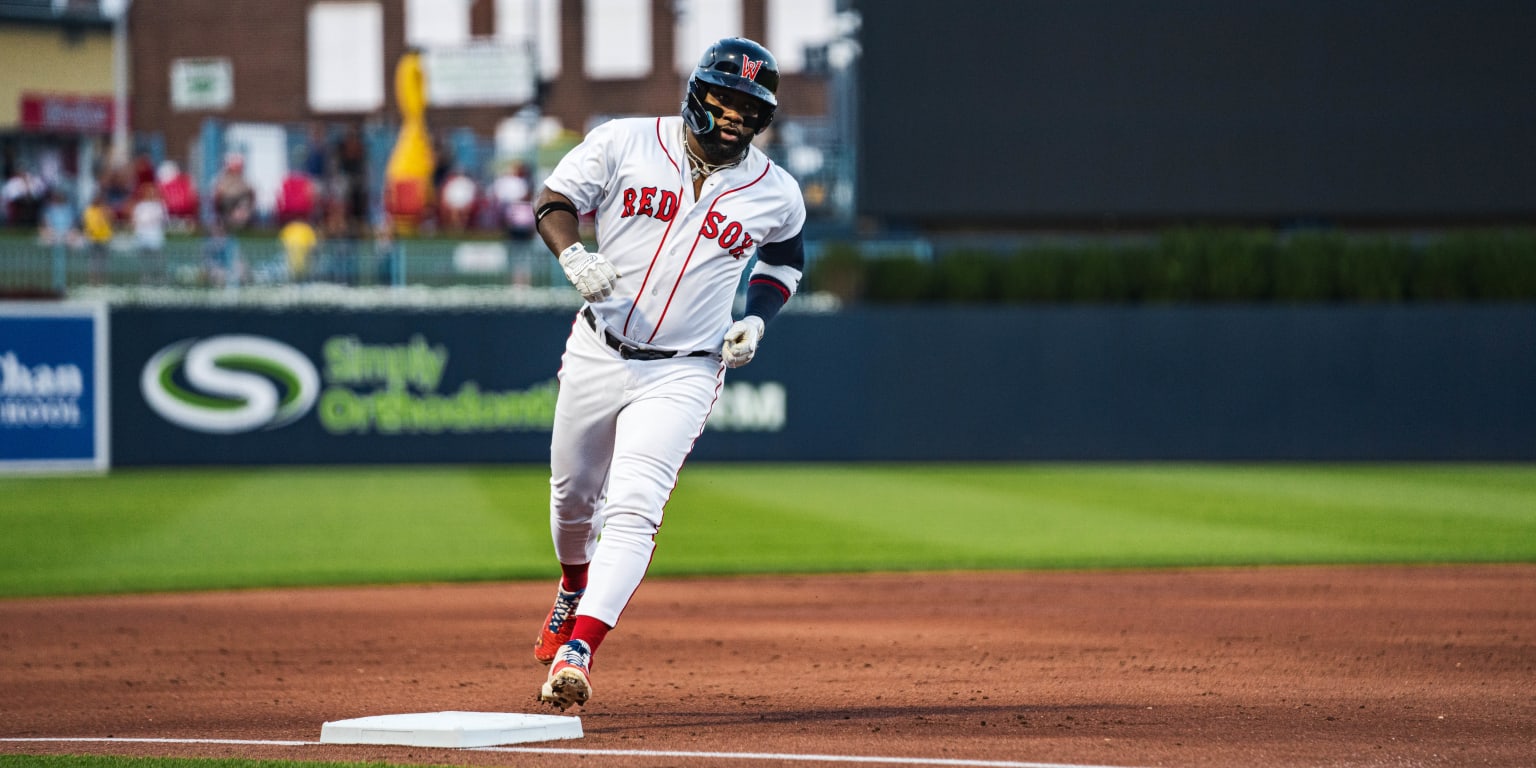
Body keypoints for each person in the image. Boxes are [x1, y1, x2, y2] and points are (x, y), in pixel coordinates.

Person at [528, 37, 806, 711]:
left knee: (634, 509)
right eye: (725, 98)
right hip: (599, 349)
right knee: (571, 503)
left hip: (685, 370)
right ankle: (573, 586)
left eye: (749, 106)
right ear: (697, 92)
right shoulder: (625, 141)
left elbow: (785, 260)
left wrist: (758, 318)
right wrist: (572, 255)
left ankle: (577, 651)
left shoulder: (775, 190)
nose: (736, 114)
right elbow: (554, 199)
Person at [130, 182, 168, 284]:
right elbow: (135, 221)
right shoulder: (140, 206)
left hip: (155, 237)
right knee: (144, 261)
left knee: (158, 260)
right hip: (143, 237)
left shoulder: (159, 206)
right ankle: (145, 279)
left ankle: (159, 279)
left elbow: (162, 220)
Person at [82, 193, 114, 285]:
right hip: (93, 239)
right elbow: (88, 225)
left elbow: (111, 221)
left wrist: (105, 213)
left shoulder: (105, 210)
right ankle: (93, 281)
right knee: (93, 262)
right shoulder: (89, 211)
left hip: (104, 238)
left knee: (104, 262)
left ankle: (103, 281)